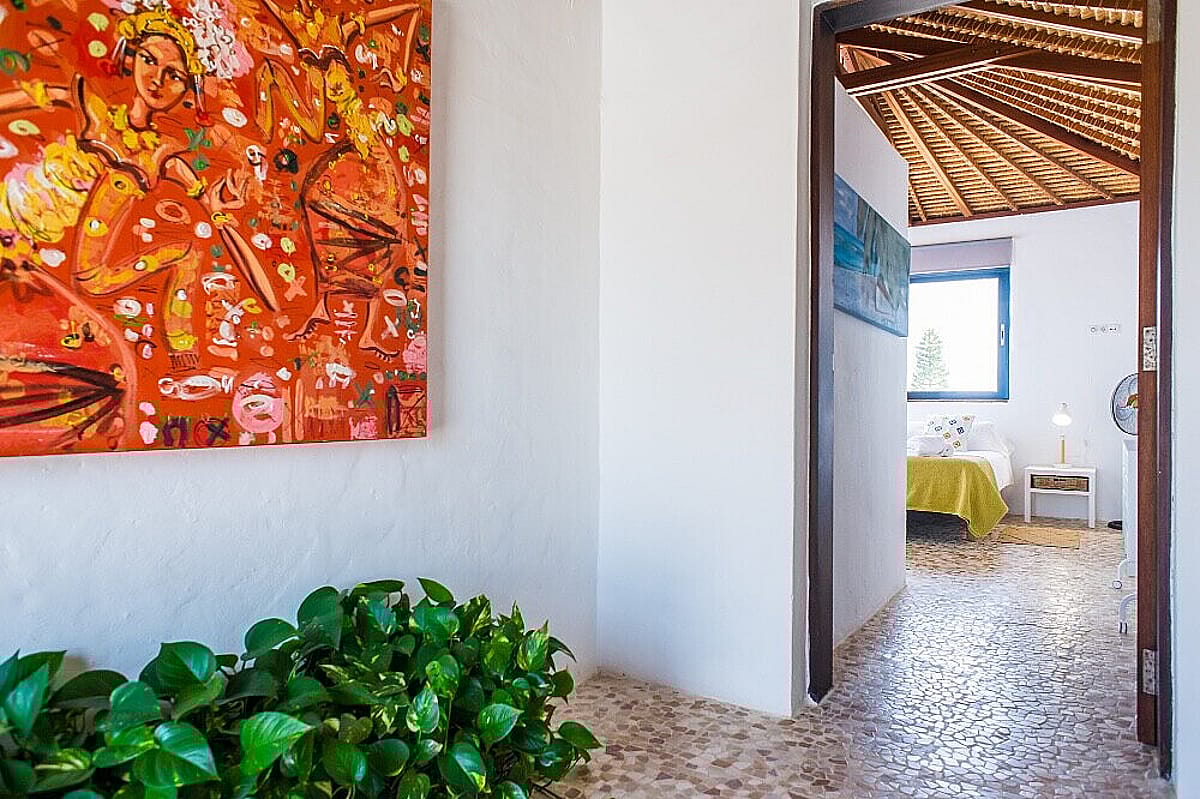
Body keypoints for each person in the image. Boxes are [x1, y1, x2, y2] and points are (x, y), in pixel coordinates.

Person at [0, 7, 277, 370]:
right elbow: (23, 100)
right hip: (13, 216)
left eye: (174, 75)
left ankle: (179, 341)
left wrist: (218, 207)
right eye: (148, 59)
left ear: (188, 89)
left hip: (71, 271)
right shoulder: (89, 103)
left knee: (187, 253)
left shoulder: (164, 155)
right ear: (130, 58)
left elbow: (220, 222)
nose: (157, 80)